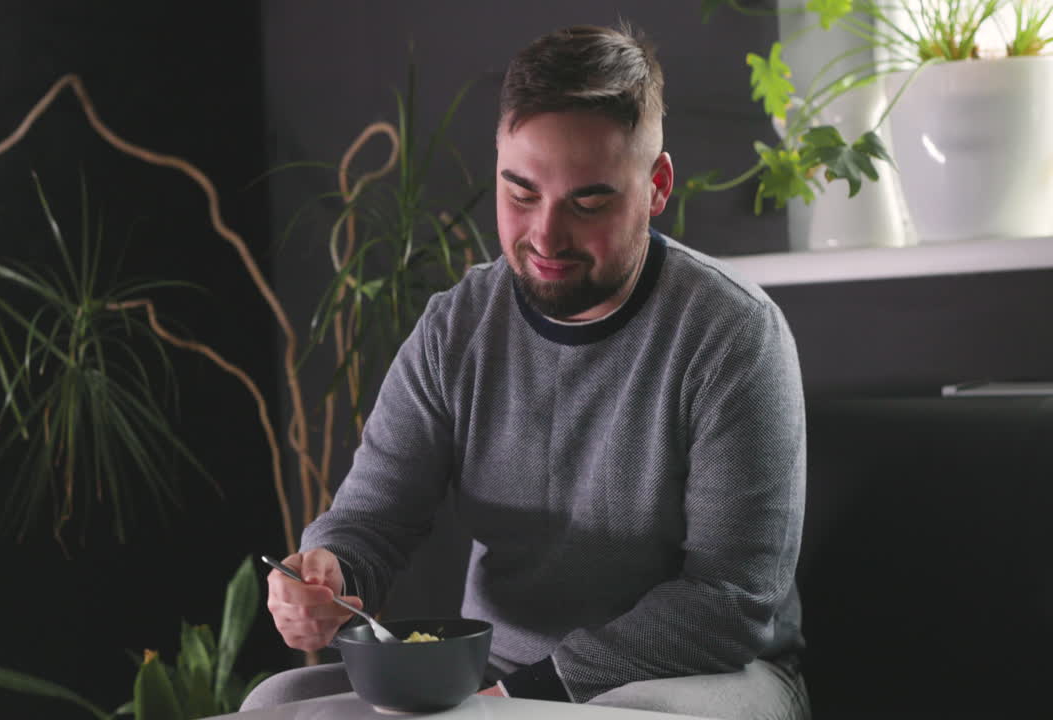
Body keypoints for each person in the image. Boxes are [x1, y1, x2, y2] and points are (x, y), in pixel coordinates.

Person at [244, 22, 809, 719]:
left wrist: (527, 692)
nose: (546, 235)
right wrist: (327, 570)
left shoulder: (732, 335)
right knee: (276, 702)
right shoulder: (457, 326)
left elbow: (730, 604)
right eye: (520, 193)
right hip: (496, 673)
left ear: (657, 185)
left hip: (707, 676)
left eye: (588, 202)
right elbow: (372, 518)